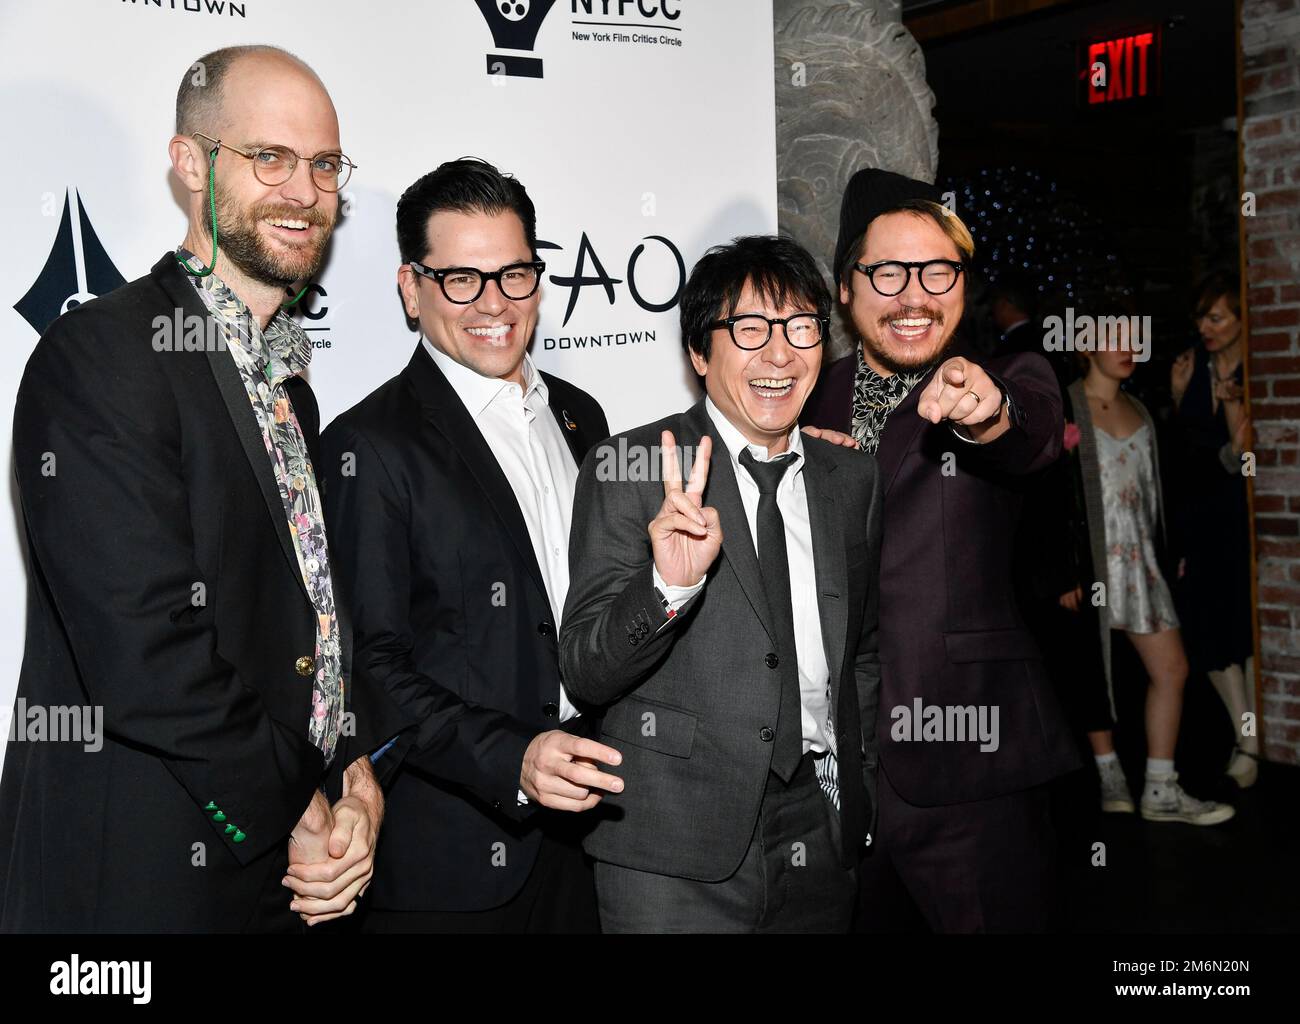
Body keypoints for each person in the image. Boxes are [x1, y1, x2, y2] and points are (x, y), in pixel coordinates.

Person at [0, 45, 404, 932]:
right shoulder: (102, 355)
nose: (304, 190)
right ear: (190, 163)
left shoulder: (289, 382)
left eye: (325, 164)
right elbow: (145, 649)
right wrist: (297, 806)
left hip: (287, 871)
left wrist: (356, 777)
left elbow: (315, 624)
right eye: (270, 158)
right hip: (149, 876)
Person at [320, 158, 614, 933]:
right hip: (454, 857)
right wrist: (512, 757)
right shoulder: (369, 445)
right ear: (411, 289)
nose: (494, 304)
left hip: (598, 840)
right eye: (461, 280)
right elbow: (369, 668)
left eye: (514, 275)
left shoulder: (582, 416)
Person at [559, 235, 883, 932]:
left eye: (801, 327)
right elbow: (585, 669)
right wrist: (667, 588)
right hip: (671, 848)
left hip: (818, 829)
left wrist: (853, 781)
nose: (779, 354)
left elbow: (864, 649)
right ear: (700, 353)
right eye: (749, 329)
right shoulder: (635, 468)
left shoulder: (849, 478)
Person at [802, 168, 1079, 933]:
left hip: (974, 764)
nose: (914, 294)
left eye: (937, 271)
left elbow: (1029, 434)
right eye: (888, 272)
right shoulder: (803, 396)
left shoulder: (1004, 376)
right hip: (833, 776)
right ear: (848, 290)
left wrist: (985, 418)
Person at [1033, 325, 1234, 824]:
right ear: (1085, 346)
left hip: (1141, 565)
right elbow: (1044, 501)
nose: (1130, 350)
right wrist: (1062, 573)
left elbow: (1168, 486)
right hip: (1092, 569)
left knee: (1173, 670)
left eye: (1134, 341)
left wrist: (1174, 551)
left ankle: (1161, 787)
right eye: (1116, 339)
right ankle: (1109, 775)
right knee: (1091, 675)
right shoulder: (1063, 409)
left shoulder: (1142, 409)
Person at [1169, 272, 1257, 787]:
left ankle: (1252, 738)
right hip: (1200, 518)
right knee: (1206, 626)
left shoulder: (1257, 370)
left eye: (1216, 317)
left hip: (1241, 519)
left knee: (1243, 627)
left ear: (1243, 320)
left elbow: (1245, 462)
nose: (1205, 326)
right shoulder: (1192, 367)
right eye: (1201, 316)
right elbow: (1184, 453)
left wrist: (1232, 407)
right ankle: (1246, 736)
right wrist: (1182, 401)